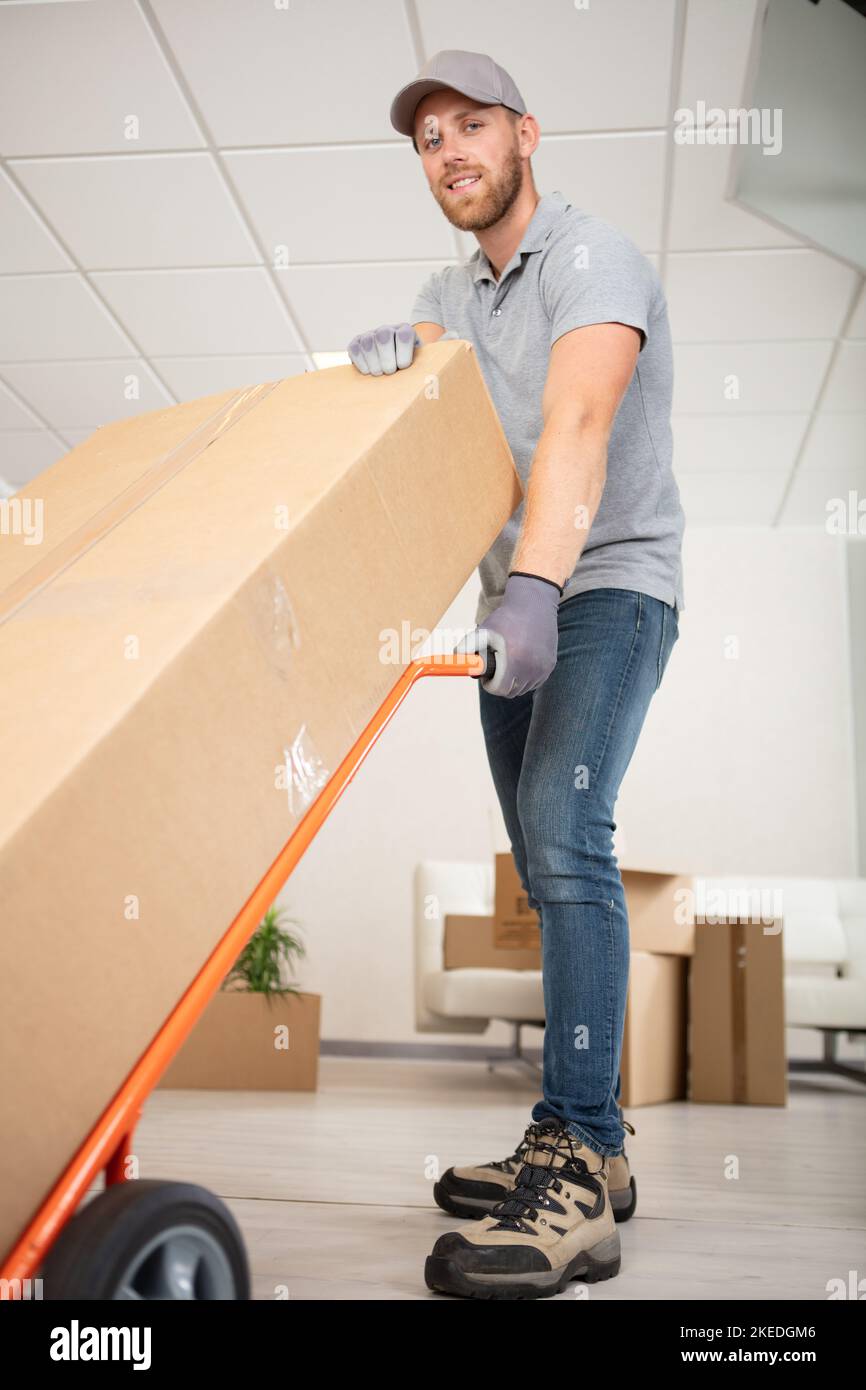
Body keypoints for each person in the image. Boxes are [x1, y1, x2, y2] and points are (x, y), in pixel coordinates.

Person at [348, 49, 685, 1301]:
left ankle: (580, 1178)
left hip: (605, 584)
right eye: (428, 137)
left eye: (470, 126)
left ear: (524, 136)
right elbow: (437, 438)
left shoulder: (593, 258)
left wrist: (537, 588)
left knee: (563, 831)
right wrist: (390, 386)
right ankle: (588, 1136)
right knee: (545, 872)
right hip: (516, 603)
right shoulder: (449, 289)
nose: (450, 152)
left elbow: (580, 425)